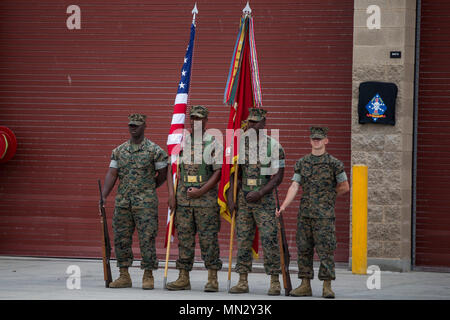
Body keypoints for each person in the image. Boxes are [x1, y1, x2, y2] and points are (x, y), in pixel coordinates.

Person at [276, 126, 349, 298]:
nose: (316, 142)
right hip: (305, 215)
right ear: (310, 141)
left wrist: (329, 197)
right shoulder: (303, 163)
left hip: (324, 216)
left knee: (326, 249)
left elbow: (345, 186)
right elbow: (294, 186)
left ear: (326, 141)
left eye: (319, 139)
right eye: (314, 139)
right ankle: (305, 284)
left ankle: (327, 286)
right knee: (304, 249)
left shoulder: (334, 163)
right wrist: (284, 206)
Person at [101, 113, 168, 290]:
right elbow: (112, 174)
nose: (133, 128)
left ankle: (148, 275)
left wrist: (148, 188)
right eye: (131, 125)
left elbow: (162, 175)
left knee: (147, 238)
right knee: (121, 238)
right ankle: (124, 275)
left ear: (144, 126)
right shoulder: (119, 151)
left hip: (146, 203)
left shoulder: (155, 151)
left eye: (137, 125)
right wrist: (103, 195)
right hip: (123, 203)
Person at [227, 108, 285, 295]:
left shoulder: (274, 146)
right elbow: (235, 175)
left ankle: (275, 280)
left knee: (269, 239)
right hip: (244, 201)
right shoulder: (240, 146)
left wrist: (260, 193)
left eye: (256, 122)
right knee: (243, 240)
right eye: (250, 122)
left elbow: (277, 178)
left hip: (265, 201)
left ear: (264, 124)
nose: (251, 125)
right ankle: (242, 280)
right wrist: (231, 197)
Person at [166, 105, 223, 292]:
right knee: (185, 239)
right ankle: (183, 277)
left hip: (205, 201)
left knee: (209, 240)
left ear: (206, 121)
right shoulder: (181, 141)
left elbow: (218, 173)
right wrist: (171, 195)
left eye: (199, 119)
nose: (194, 122)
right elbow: (171, 169)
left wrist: (201, 191)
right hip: (183, 200)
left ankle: (212, 278)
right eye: (192, 118)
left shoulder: (213, 142)